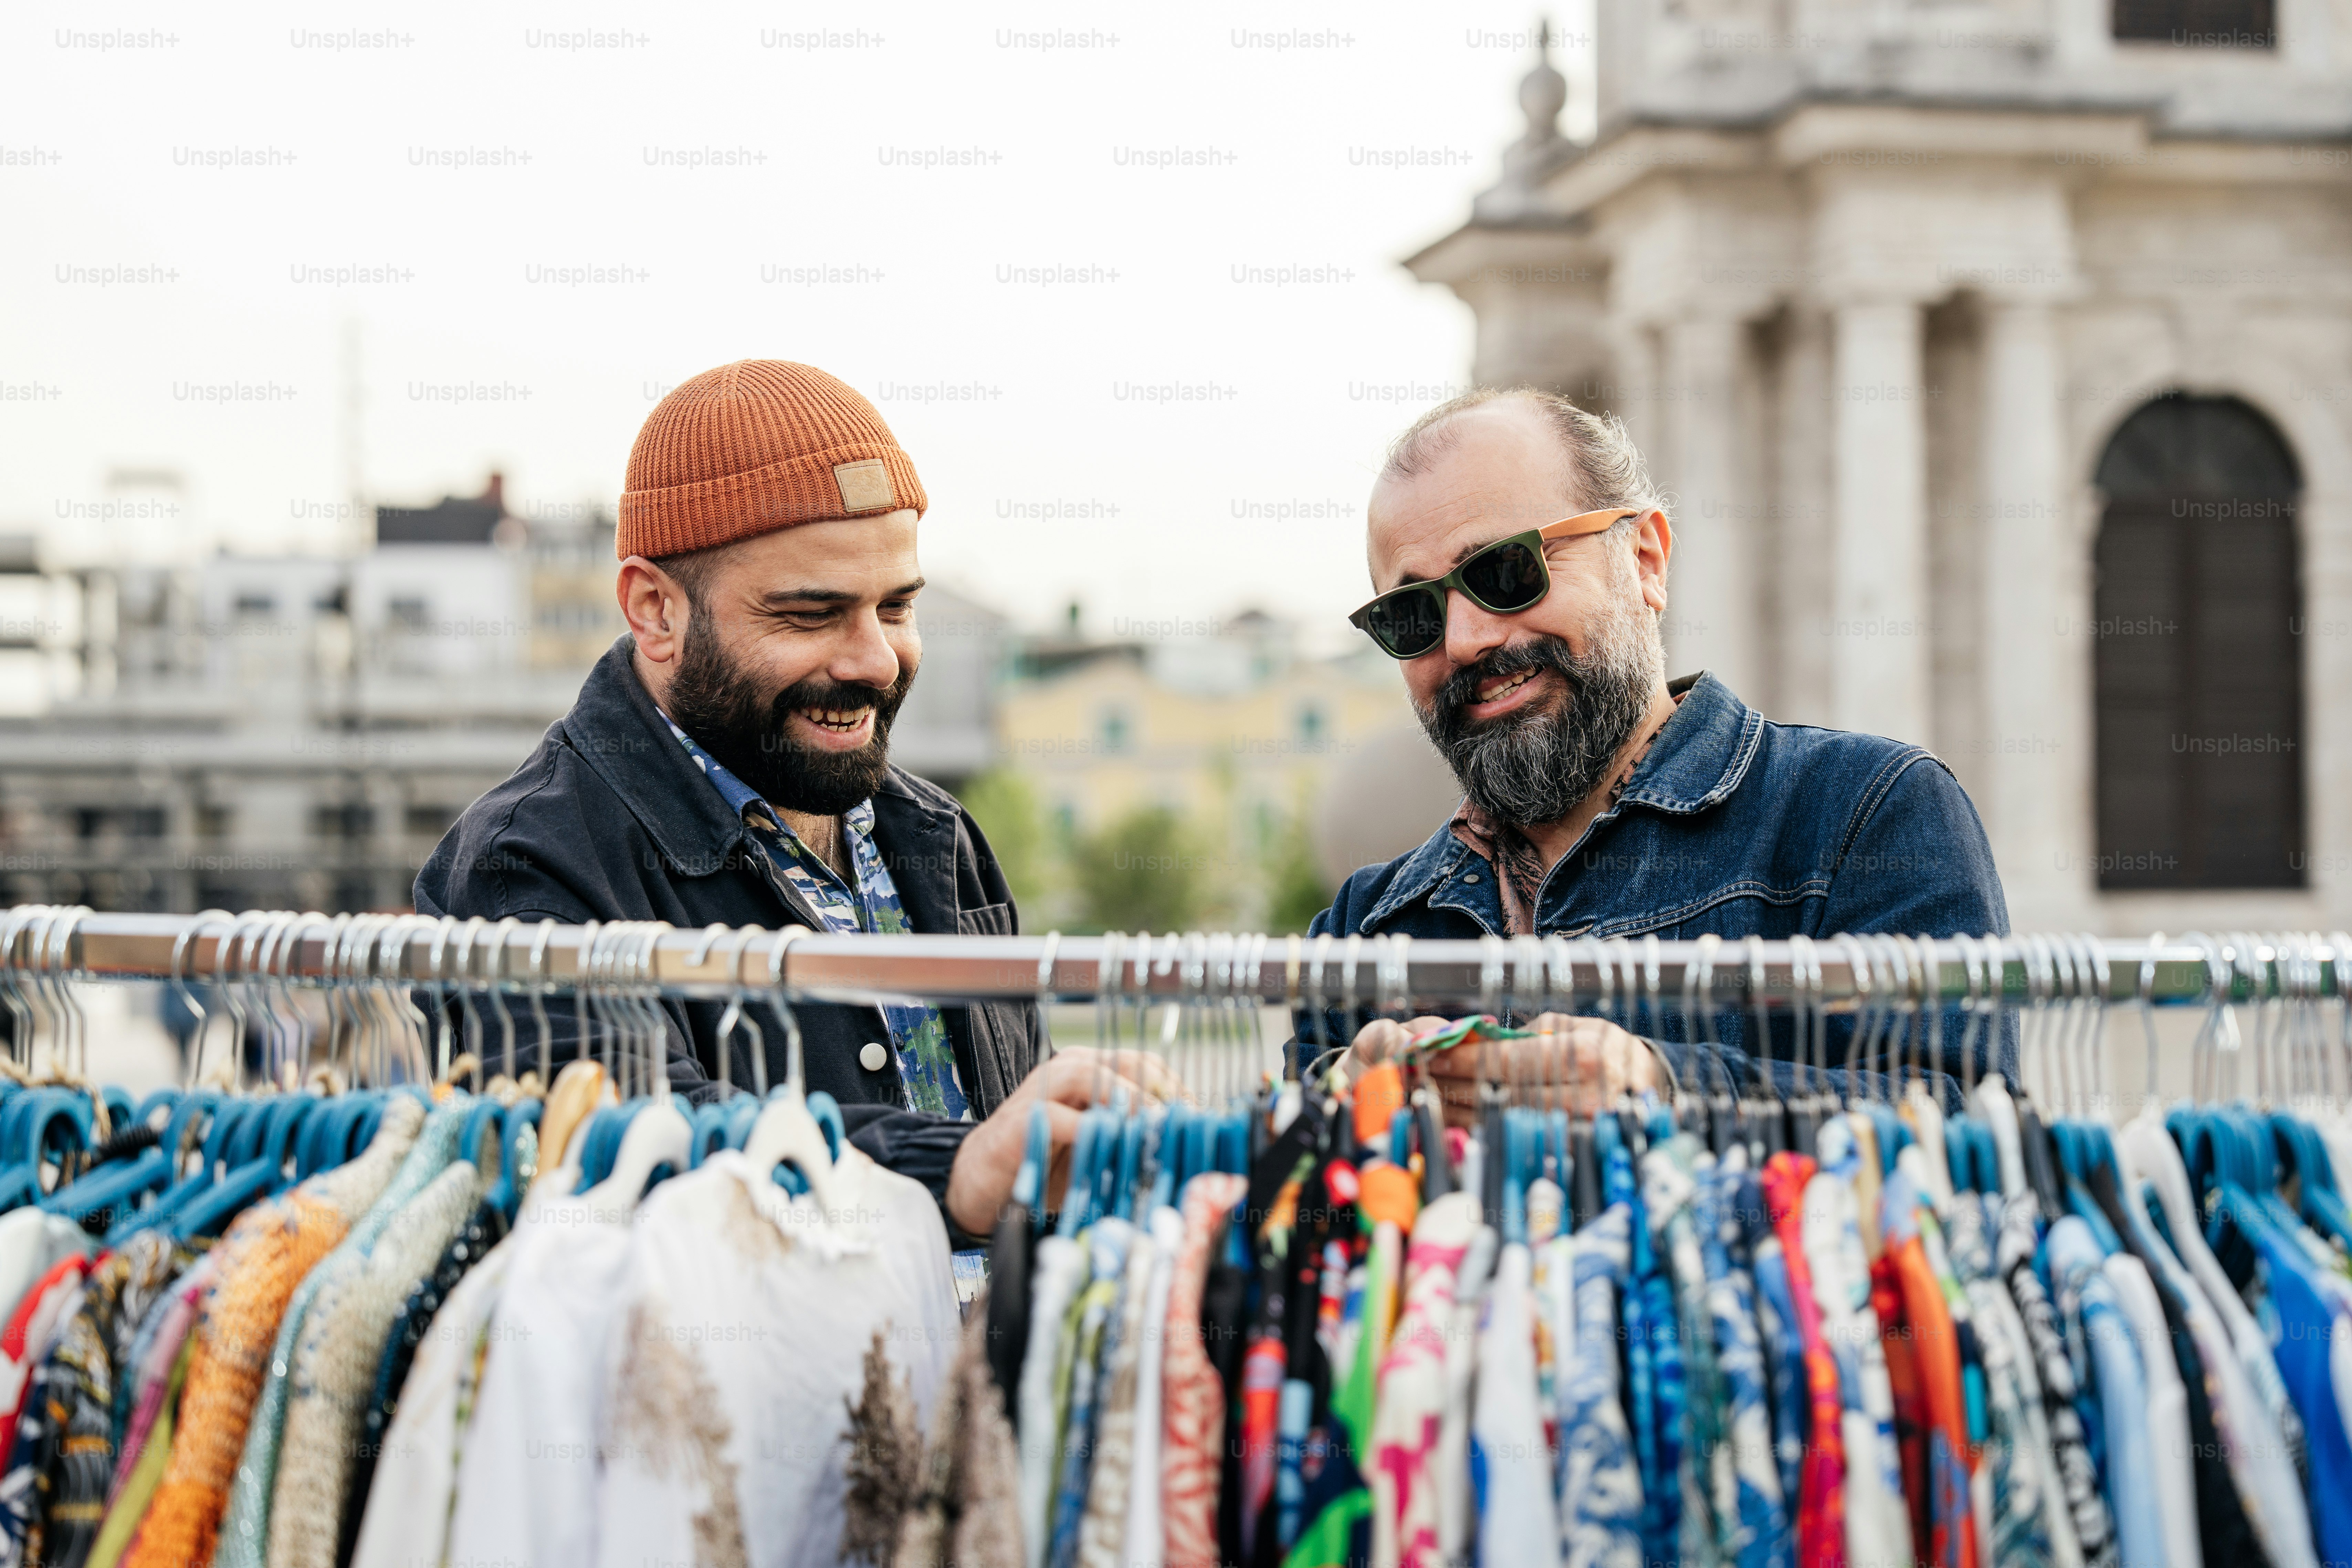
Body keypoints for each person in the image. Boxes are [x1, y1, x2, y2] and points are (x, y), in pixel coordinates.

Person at [416, 359, 1158, 1241]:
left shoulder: (939, 836)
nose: (875, 660)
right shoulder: (526, 864)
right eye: (811, 615)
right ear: (655, 610)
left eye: (895, 607)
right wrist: (952, 1168)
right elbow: (624, 1151)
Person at [1314, 387, 2010, 1115]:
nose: (1464, 641)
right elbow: (1289, 1214)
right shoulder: (1364, 925)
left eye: (1503, 572)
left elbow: (1961, 1128)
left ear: (1644, 558)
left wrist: (1659, 1086)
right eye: (1412, 613)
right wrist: (1334, 1115)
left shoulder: (1866, 815)